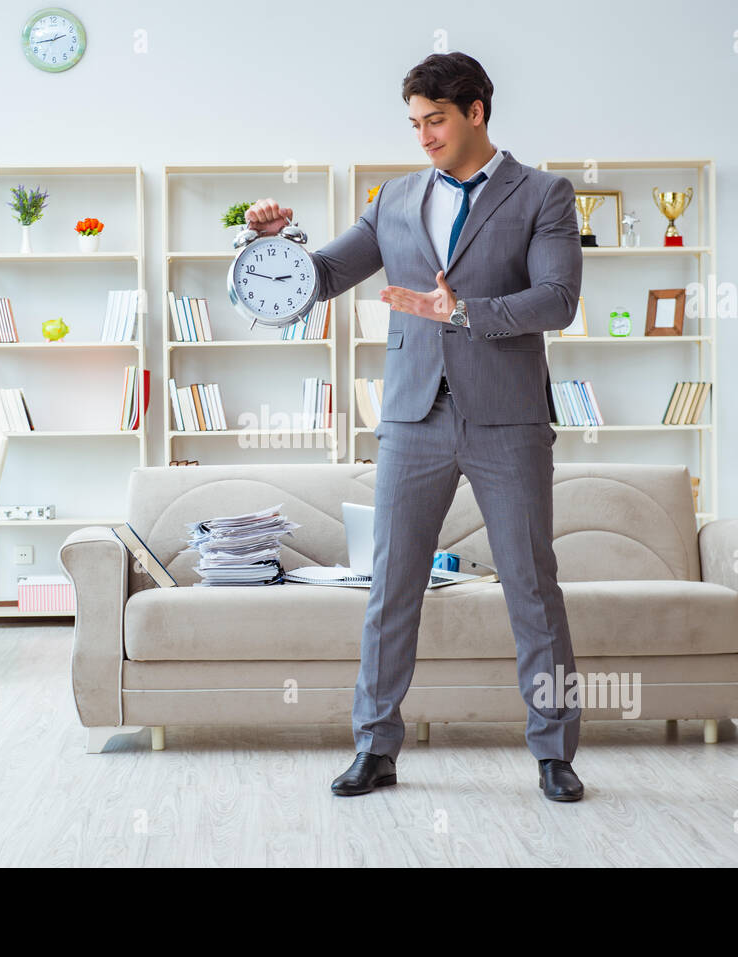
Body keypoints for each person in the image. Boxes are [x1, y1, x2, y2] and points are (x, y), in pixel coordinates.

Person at [245, 51, 585, 802]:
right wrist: (272, 245)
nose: (424, 135)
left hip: (509, 419)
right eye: (415, 123)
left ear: (476, 112)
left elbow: (558, 298)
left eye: (436, 120)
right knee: (392, 584)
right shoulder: (394, 198)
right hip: (411, 418)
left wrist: (462, 311)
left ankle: (555, 752)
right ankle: (375, 748)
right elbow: (324, 278)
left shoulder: (543, 195)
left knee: (532, 586)